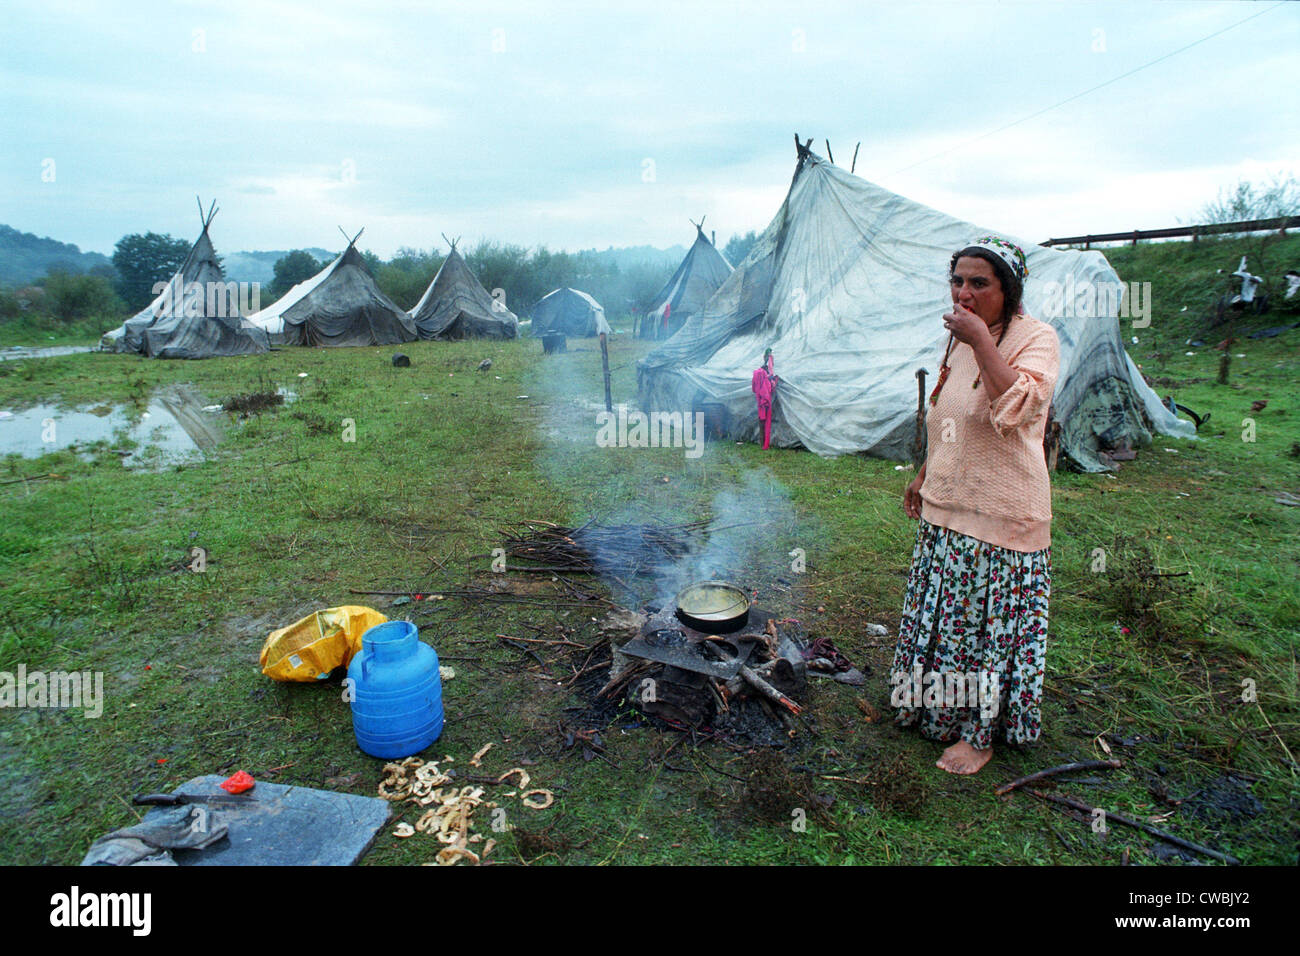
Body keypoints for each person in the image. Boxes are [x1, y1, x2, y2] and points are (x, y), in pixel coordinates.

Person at [891, 236, 1060, 775]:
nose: (964, 293)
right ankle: (933, 711)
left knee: (983, 631)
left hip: (1002, 518)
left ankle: (980, 736)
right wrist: (924, 473)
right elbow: (952, 416)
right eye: (957, 281)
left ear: (1008, 290)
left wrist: (982, 343)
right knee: (945, 622)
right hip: (949, 506)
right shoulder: (960, 341)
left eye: (979, 283)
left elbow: (1017, 410)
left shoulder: (1037, 338)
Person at [751, 347, 779, 449]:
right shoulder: (762, 373)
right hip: (764, 402)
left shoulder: (758, 373)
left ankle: (763, 443)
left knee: (762, 421)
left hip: (762, 403)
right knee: (764, 422)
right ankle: (763, 443)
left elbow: (754, 388)